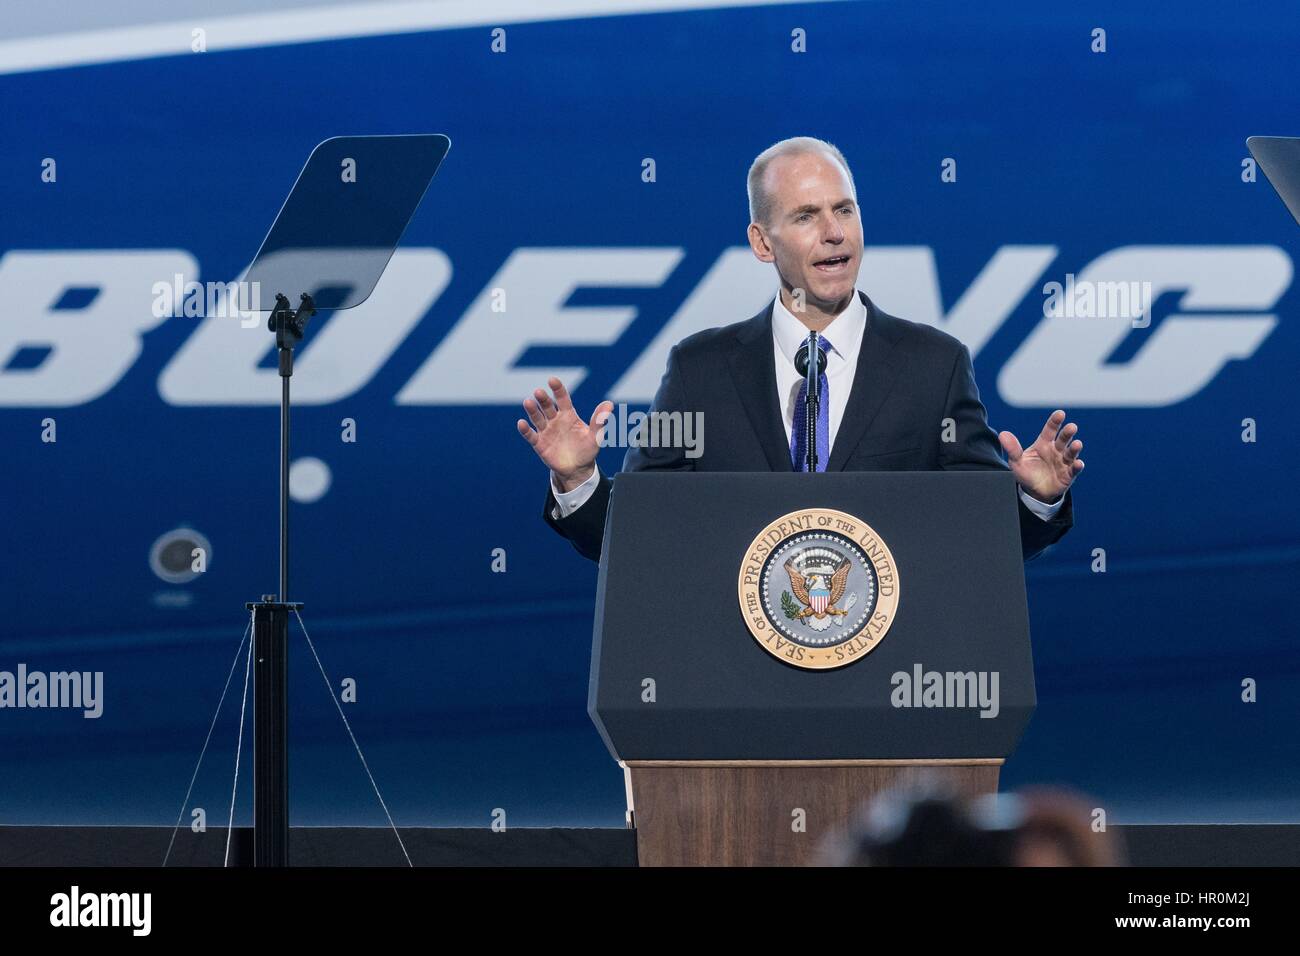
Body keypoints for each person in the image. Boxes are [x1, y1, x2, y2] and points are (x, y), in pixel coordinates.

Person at [516, 136, 1083, 562]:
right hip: (740, 686)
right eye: (806, 216)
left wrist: (1036, 501)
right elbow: (636, 540)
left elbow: (982, 538)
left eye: (845, 209)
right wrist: (579, 482)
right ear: (763, 243)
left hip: (891, 688)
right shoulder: (700, 371)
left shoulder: (934, 366)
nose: (834, 232)